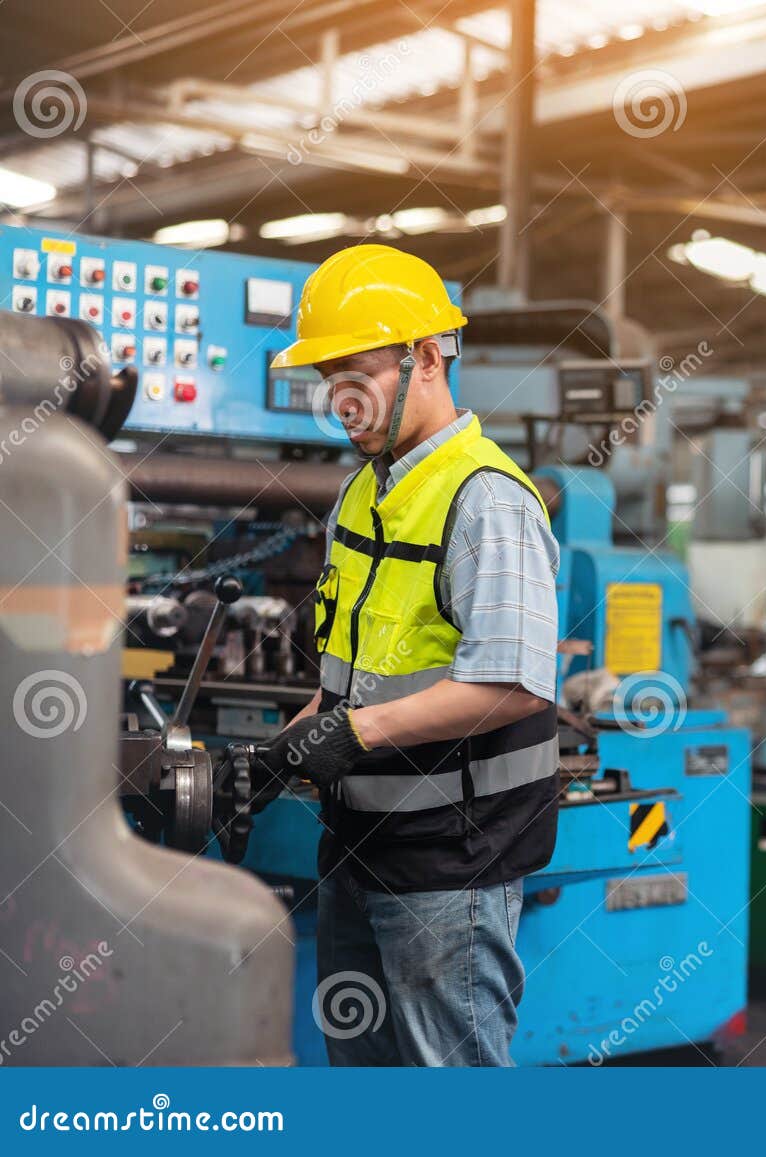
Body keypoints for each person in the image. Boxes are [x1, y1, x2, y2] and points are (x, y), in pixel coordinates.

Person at [253, 244, 561, 1066]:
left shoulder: (485, 500)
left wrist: (353, 736)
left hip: (451, 858)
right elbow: (354, 675)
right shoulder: (363, 491)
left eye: (354, 372)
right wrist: (285, 746)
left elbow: (512, 685)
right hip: (356, 843)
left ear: (426, 356)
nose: (337, 400)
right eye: (326, 379)